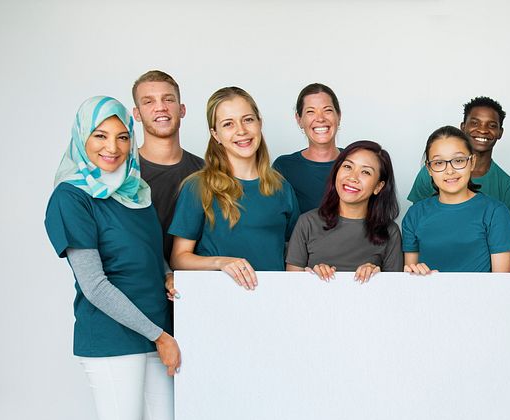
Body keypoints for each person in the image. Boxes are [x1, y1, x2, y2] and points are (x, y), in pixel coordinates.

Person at [44, 96, 191, 420]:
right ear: (82, 140)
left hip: (152, 333)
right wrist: (160, 335)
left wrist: (170, 277)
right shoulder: (71, 197)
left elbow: (150, 259)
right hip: (112, 340)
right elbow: (95, 284)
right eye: (100, 137)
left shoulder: (136, 191)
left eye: (122, 136)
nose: (112, 147)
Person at [169, 86, 300, 289]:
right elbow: (179, 258)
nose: (241, 130)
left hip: (273, 303)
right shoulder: (198, 186)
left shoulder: (282, 188)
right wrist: (221, 262)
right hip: (217, 302)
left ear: (259, 123)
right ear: (216, 135)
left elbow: (295, 254)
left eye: (248, 119)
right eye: (228, 124)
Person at [401, 126, 510, 274]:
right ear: (429, 169)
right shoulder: (414, 214)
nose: (450, 171)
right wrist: (417, 274)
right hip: (429, 296)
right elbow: (410, 276)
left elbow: (501, 282)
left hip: (481, 296)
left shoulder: (496, 212)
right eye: (438, 163)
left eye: (458, 160)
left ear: (472, 162)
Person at [286, 140, 403, 281]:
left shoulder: (390, 232)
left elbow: (393, 293)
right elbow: (292, 289)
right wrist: (314, 278)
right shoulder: (307, 223)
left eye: (365, 172)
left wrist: (376, 278)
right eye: (347, 166)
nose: (352, 177)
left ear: (379, 186)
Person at [131, 70, 204, 261]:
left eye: (168, 99)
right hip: (138, 285)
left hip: (194, 286)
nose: (160, 107)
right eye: (149, 101)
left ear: (182, 109)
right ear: (137, 114)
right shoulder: (124, 172)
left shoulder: (206, 172)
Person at [406, 96, 510, 213]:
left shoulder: (508, 188)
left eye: (492, 125)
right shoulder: (433, 172)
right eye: (475, 123)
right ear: (463, 127)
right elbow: (417, 217)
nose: (483, 130)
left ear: (500, 132)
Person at [273, 83, 343, 214]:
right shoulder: (284, 167)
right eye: (310, 112)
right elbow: (277, 220)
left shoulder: (355, 161)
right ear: (299, 119)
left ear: (338, 116)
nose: (320, 119)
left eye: (327, 110)